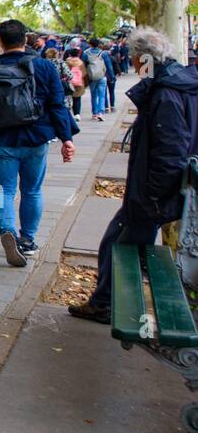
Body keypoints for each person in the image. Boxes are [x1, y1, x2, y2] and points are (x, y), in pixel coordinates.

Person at [70, 28, 198, 322]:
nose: (133, 64)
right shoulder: (172, 83)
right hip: (156, 193)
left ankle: (108, 304)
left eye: (133, 58)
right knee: (114, 241)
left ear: (144, 60)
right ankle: (103, 301)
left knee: (119, 246)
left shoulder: (165, 93)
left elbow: (170, 151)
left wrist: (152, 197)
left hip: (155, 196)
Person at [0, 19, 78, 267]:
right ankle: (28, 240)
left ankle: (6, 230)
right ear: (26, 39)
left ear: (0, 41)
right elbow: (57, 105)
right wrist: (66, 139)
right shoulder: (44, 67)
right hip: (37, 140)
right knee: (32, 190)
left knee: (0, 191)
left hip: (2, 141)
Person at [83, 37, 110, 120]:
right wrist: (111, 76)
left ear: (90, 44)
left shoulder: (86, 53)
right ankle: (101, 112)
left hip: (92, 77)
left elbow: (83, 64)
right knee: (102, 95)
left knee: (94, 96)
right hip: (102, 76)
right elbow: (108, 65)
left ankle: (94, 113)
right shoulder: (103, 53)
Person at [64, 47, 86, 120]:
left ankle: (68, 114)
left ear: (70, 54)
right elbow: (84, 73)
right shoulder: (81, 63)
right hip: (79, 83)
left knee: (68, 99)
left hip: (68, 83)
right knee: (77, 99)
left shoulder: (66, 62)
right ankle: (77, 114)